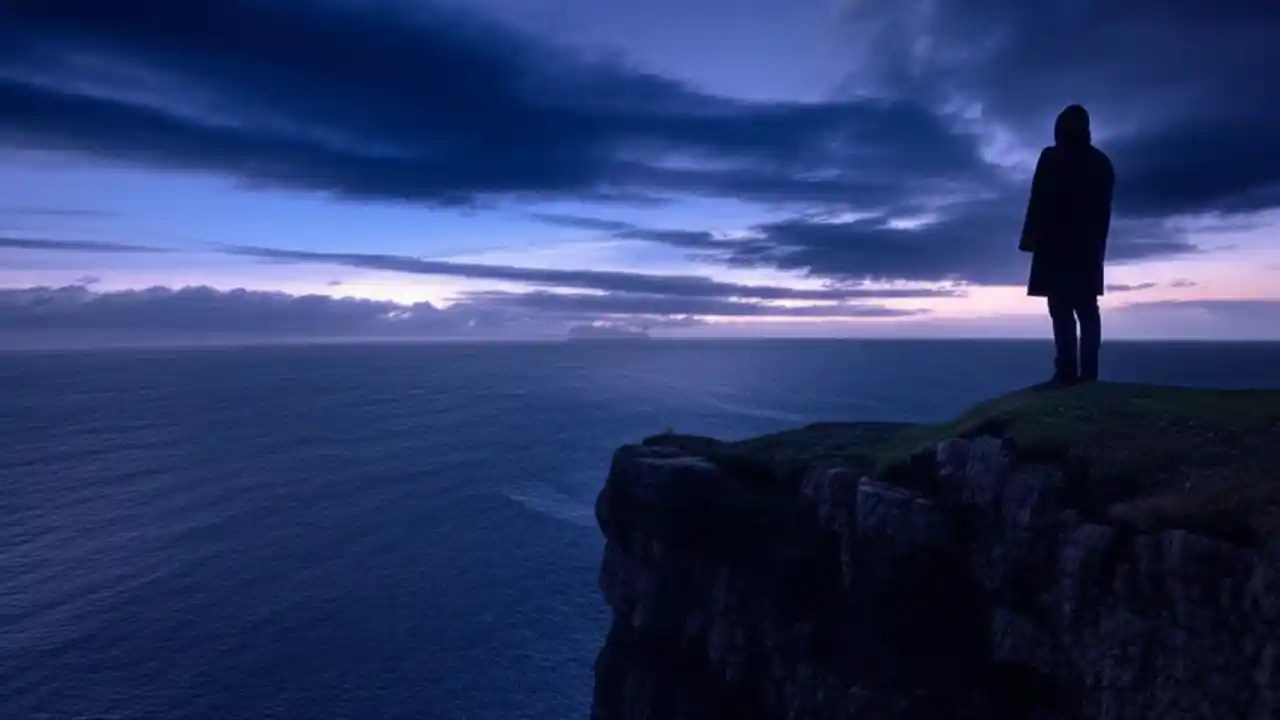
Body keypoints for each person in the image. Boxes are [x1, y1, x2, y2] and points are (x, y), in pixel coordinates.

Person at [1020, 104, 1115, 385]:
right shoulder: (1101, 163)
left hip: (1058, 247)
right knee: (1084, 310)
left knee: (1064, 309)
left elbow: (1038, 202)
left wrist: (1031, 239)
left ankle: (1067, 372)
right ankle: (1085, 374)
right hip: (1085, 248)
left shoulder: (1052, 158)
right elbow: (1103, 215)